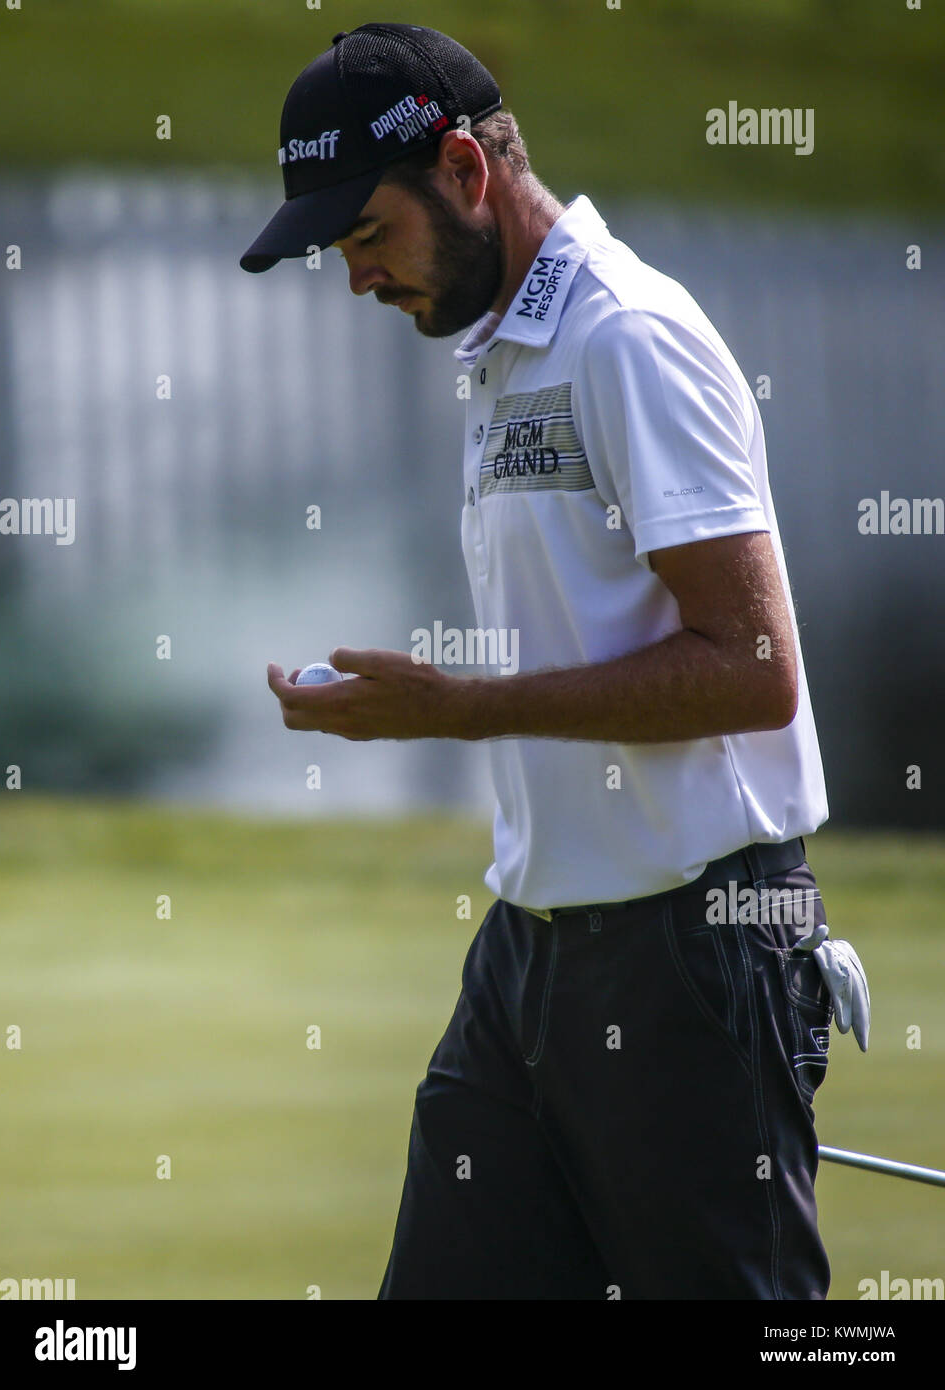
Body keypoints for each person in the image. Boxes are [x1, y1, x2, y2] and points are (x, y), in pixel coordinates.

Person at [243, 22, 868, 1299]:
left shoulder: (627, 337)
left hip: (697, 948)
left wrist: (457, 710)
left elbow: (752, 667)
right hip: (531, 954)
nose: (356, 278)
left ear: (465, 172)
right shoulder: (505, 347)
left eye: (367, 235)